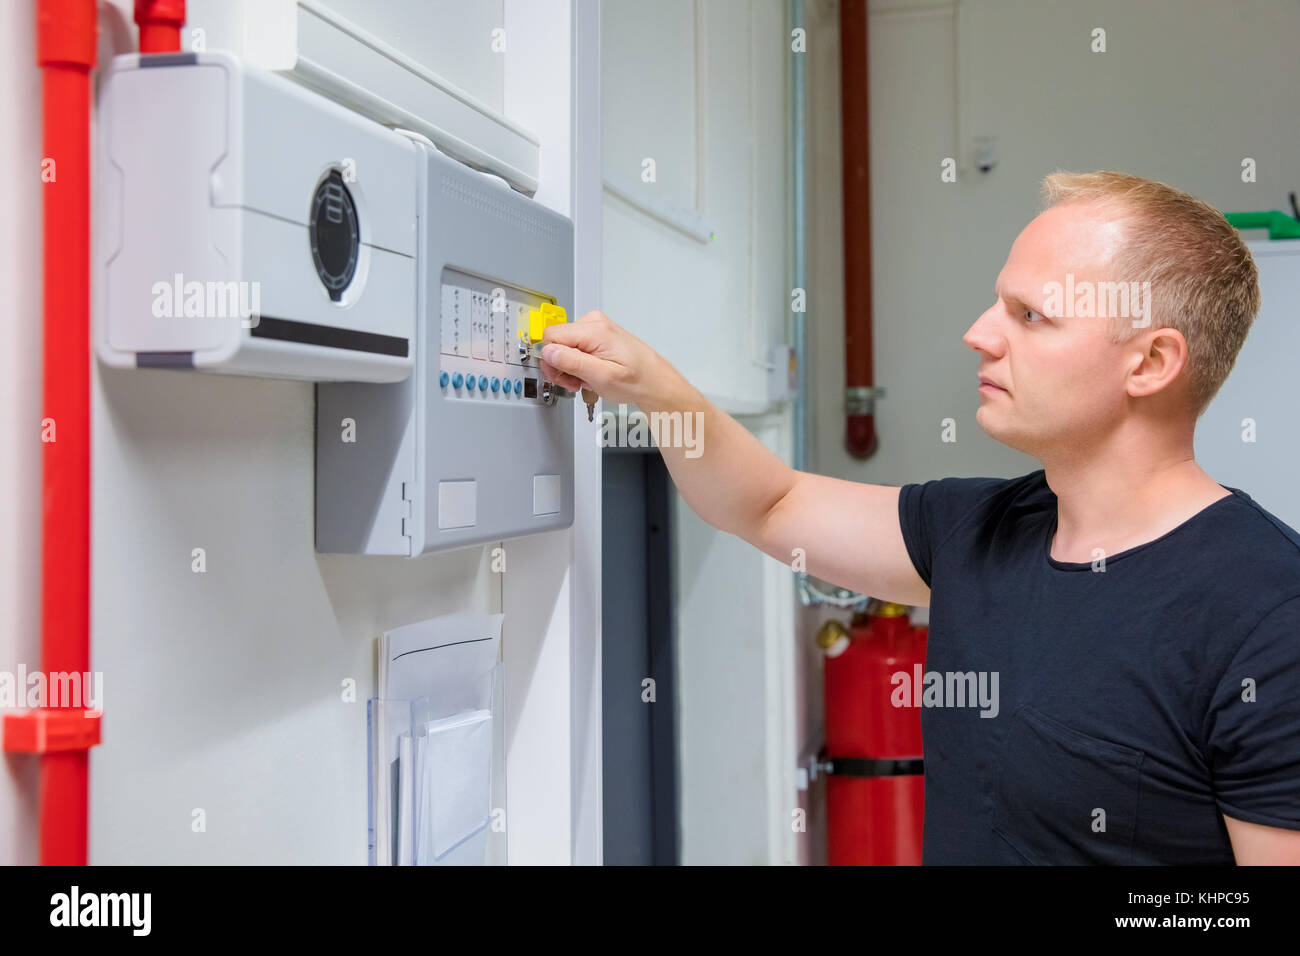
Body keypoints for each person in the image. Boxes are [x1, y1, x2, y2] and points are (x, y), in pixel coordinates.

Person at [538, 170, 1300, 866]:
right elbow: (769, 504)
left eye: (1031, 316)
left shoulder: (1269, 614)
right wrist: (655, 391)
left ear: (1149, 363)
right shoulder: (977, 529)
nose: (980, 333)